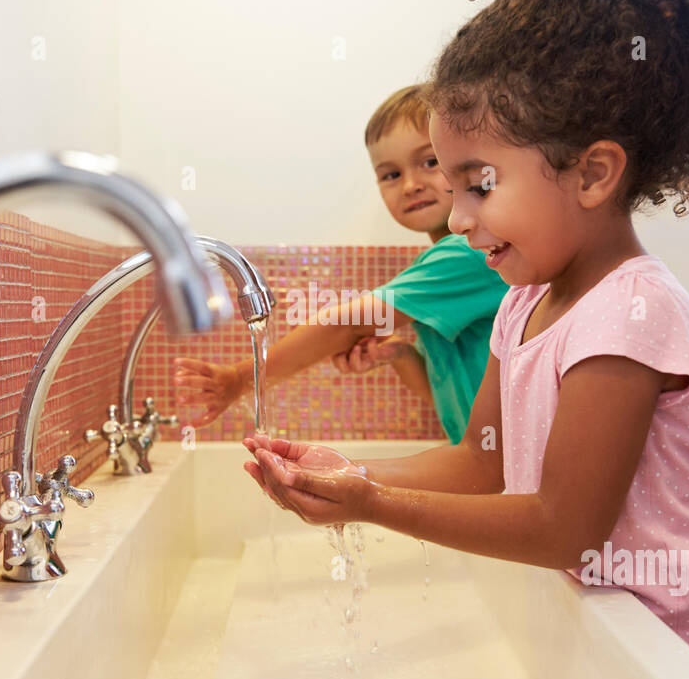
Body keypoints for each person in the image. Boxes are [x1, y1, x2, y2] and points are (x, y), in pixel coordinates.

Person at [243, 0, 689, 679]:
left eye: (480, 182)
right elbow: (483, 466)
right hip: (637, 669)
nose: (459, 211)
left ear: (591, 173)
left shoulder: (631, 312)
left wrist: (369, 503)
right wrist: (348, 469)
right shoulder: (521, 303)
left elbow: (563, 527)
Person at [174, 85, 507, 444]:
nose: (410, 185)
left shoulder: (468, 254)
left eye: (430, 162)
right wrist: (401, 354)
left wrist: (239, 379)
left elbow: (345, 326)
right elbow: (449, 403)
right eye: (391, 174)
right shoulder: (457, 260)